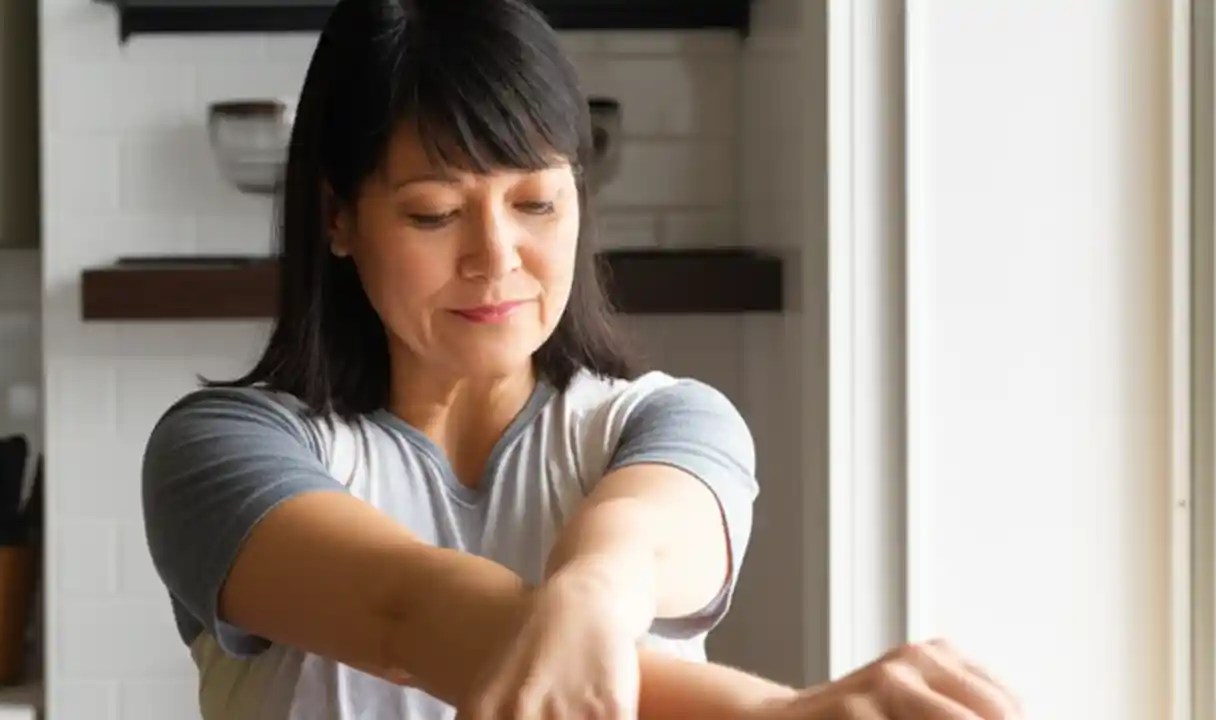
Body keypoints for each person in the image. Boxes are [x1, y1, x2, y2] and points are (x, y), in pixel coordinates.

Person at [140, 0, 1025, 718]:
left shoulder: (667, 420)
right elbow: (408, 614)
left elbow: (643, 541)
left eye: (536, 202)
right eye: (434, 213)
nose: (497, 256)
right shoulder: (219, 455)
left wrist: (594, 590)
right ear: (338, 218)